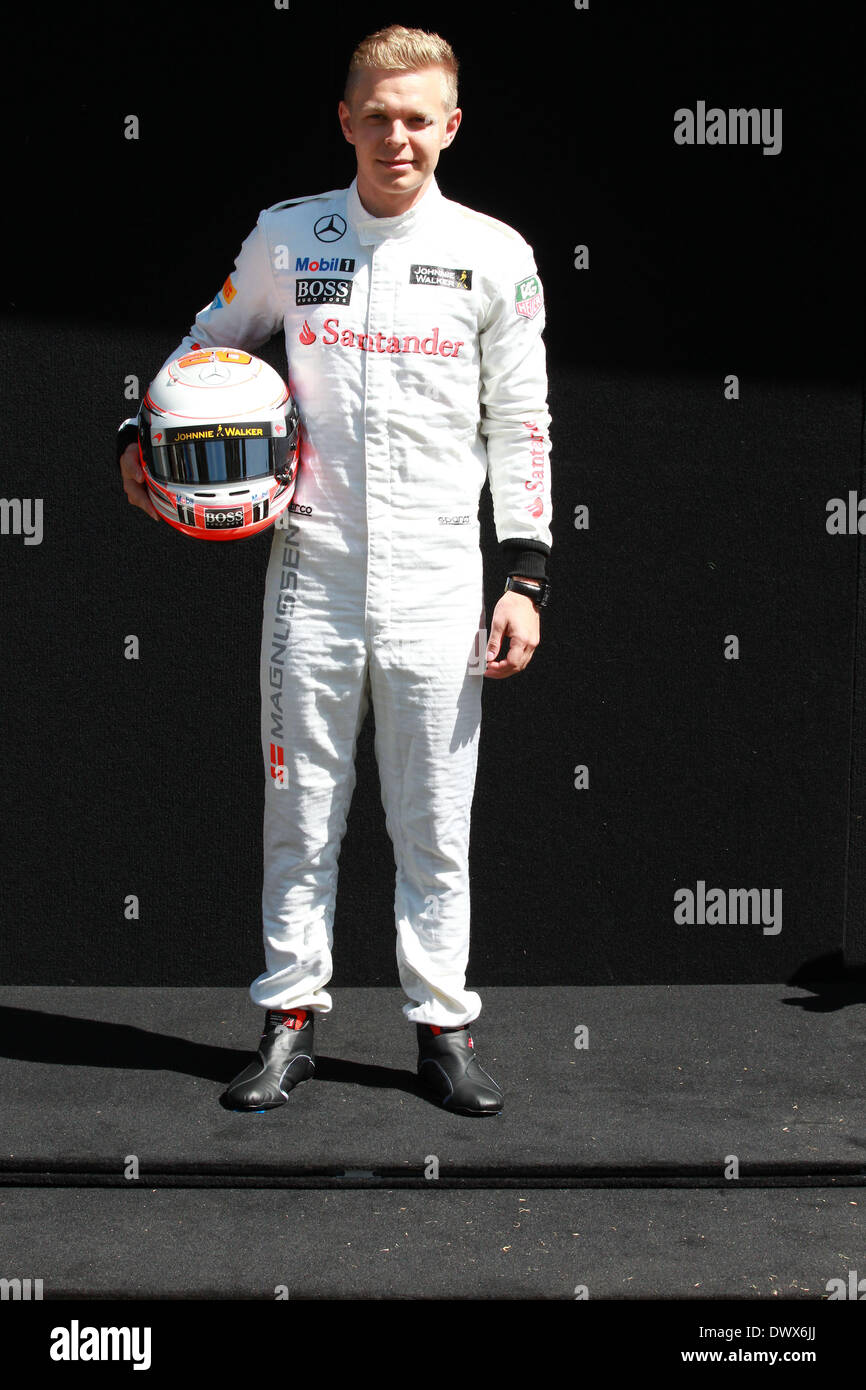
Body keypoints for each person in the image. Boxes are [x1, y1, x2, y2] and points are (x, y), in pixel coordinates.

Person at [118, 25, 552, 1117]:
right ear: (344, 119)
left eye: (417, 118)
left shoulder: (496, 254)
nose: (395, 136)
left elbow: (525, 426)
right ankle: (288, 1019)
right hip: (311, 565)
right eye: (377, 115)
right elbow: (202, 346)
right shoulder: (286, 236)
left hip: (444, 574)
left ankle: (443, 1027)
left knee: (432, 816)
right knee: (298, 805)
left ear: (449, 127)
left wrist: (525, 577)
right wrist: (140, 432)